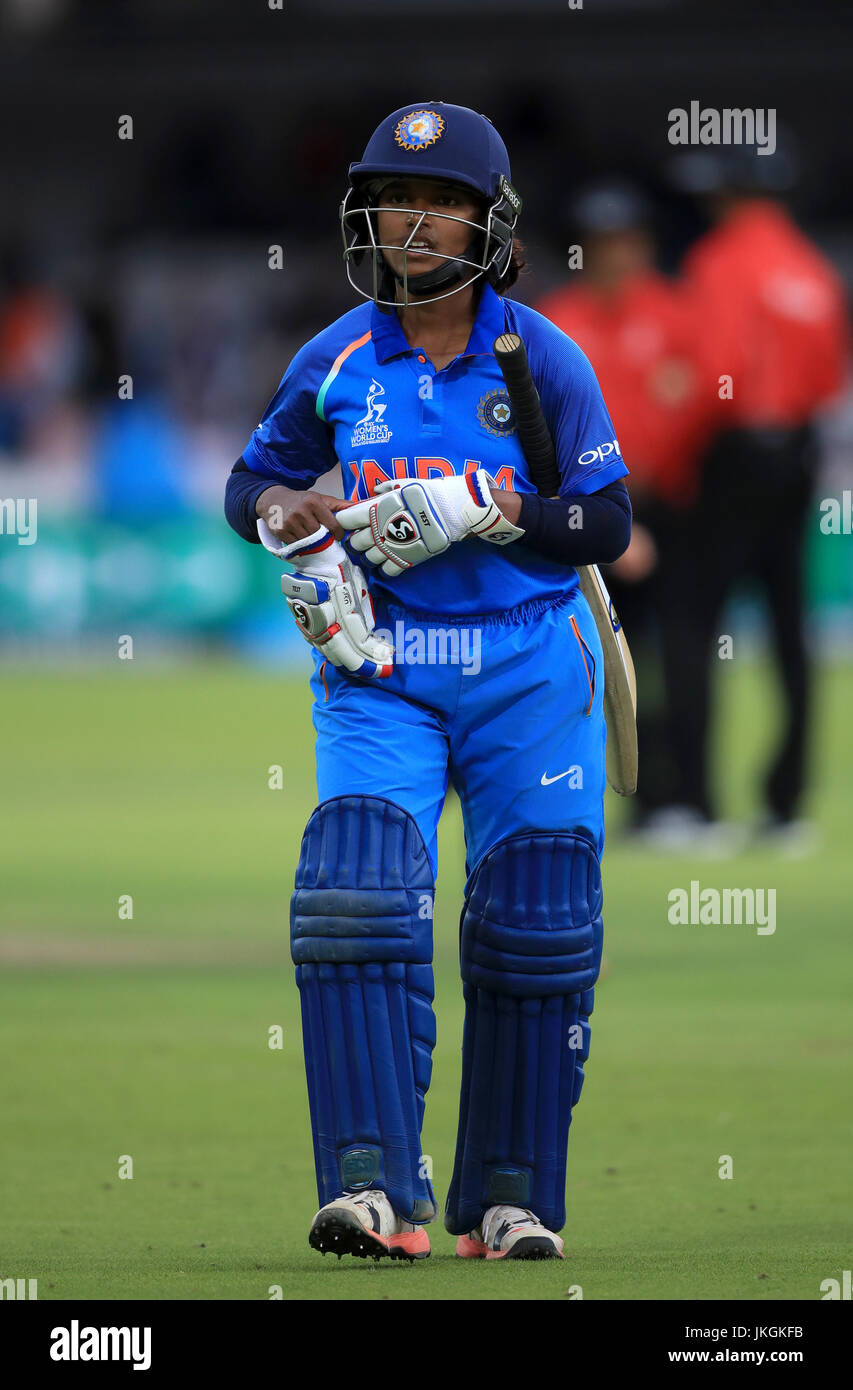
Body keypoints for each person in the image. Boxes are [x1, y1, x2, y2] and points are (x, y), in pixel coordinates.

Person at [224, 103, 631, 1262]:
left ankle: (508, 1199)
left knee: (535, 921)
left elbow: (604, 521)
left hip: (527, 667)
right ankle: (369, 1190)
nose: (412, 222)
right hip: (382, 668)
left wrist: (506, 512)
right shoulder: (338, 356)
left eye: (441, 202)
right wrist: (279, 515)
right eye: (394, 201)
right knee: (354, 898)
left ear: (489, 222)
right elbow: (254, 480)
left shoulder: (540, 356)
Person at [669, 147, 849, 844]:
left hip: (730, 453)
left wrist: (678, 459)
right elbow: (827, 376)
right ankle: (785, 804)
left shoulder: (719, 262)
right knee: (788, 629)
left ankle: (695, 801)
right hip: (796, 453)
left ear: (731, 197)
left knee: (692, 622)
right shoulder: (808, 267)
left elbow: (716, 372)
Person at [535, 181, 719, 828]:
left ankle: (689, 801)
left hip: (667, 511)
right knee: (591, 663)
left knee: (682, 657)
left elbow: (697, 414)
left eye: (624, 240)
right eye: (599, 243)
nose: (614, 254)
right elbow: (535, 428)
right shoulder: (558, 320)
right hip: (582, 514)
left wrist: (640, 516)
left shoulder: (673, 314)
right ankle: (624, 803)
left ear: (642, 245)